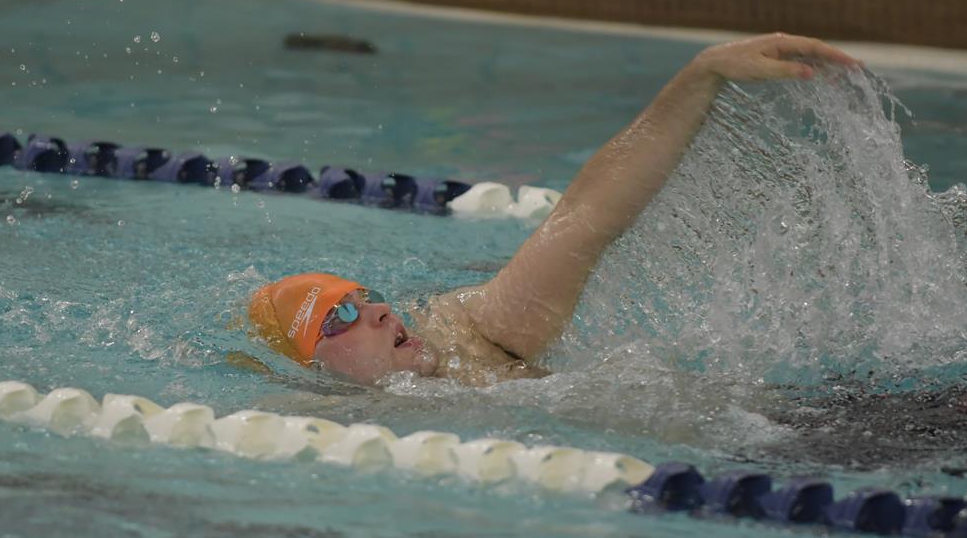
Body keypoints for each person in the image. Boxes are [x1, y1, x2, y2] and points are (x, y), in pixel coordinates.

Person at [248, 33, 861, 386]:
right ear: (311, 369)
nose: (378, 311)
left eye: (364, 296)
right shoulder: (319, 427)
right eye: (341, 316)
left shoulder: (471, 334)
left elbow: (587, 217)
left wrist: (701, 76)